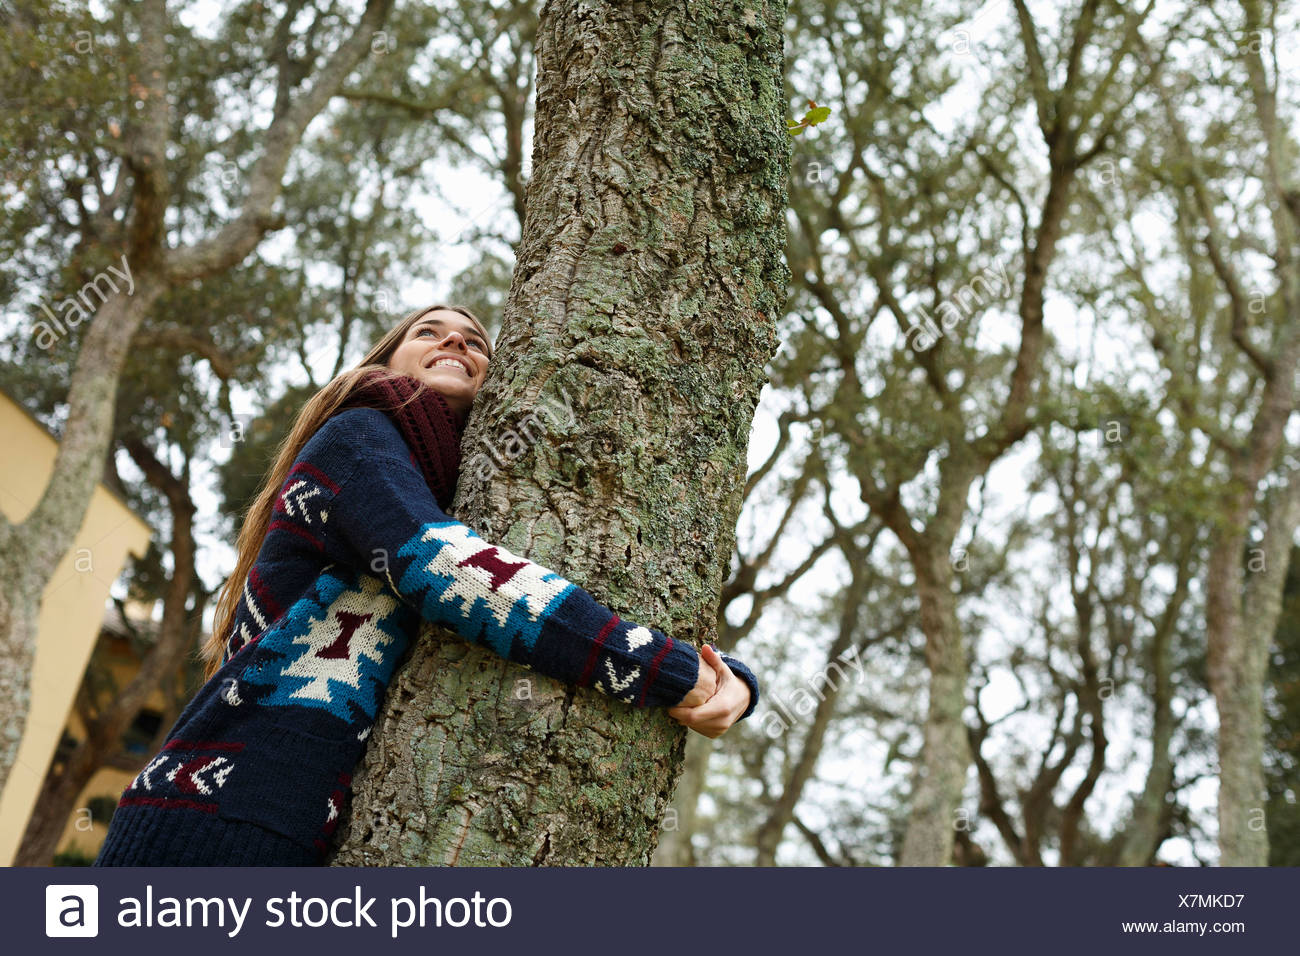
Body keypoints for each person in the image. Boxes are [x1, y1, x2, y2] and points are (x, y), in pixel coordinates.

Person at [93, 304, 760, 866]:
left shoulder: (423, 483)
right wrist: (674, 669)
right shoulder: (360, 436)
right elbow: (449, 572)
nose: (455, 343)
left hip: (260, 822)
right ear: (389, 360)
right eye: (430, 331)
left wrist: (731, 676)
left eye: (475, 342)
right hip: (219, 827)